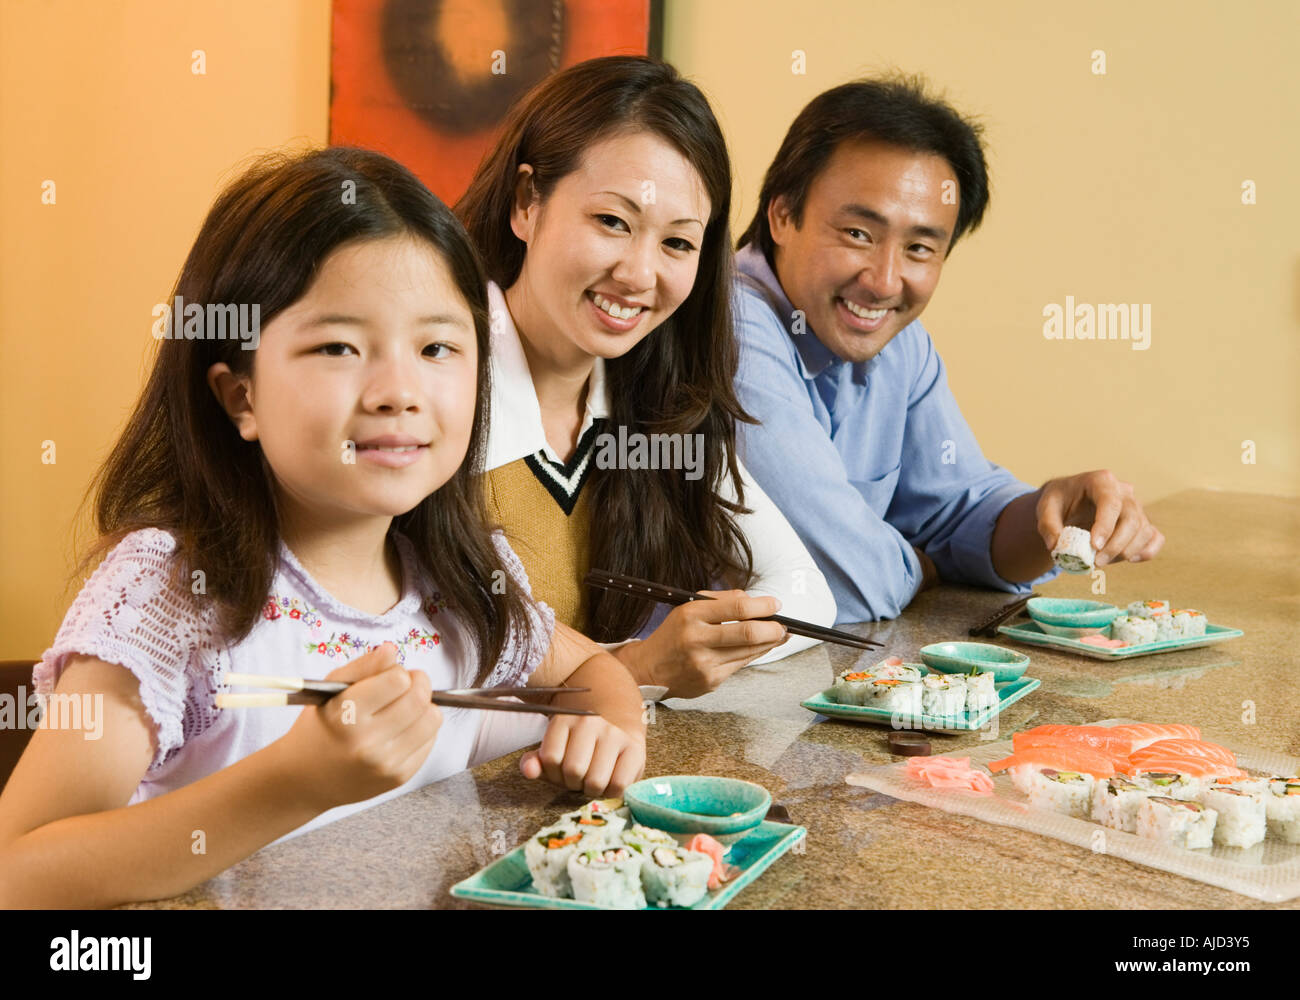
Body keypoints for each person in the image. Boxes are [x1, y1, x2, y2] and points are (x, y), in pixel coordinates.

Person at [0, 147, 645, 908]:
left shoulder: (459, 578)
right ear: (240, 397)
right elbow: (19, 876)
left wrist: (612, 719)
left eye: (437, 347)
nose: (399, 390)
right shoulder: (172, 594)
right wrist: (295, 783)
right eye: (339, 346)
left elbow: (587, 670)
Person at [457, 56, 836, 698]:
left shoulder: (656, 407)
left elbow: (804, 592)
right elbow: (443, 653)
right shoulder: (431, 379)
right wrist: (635, 670)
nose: (639, 275)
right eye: (612, 222)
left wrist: (701, 648)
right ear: (527, 203)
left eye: (677, 244)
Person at [733, 76, 1164, 623]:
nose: (885, 281)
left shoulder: (894, 339)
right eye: (858, 234)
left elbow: (959, 513)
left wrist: (1052, 514)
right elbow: (840, 582)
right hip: (684, 701)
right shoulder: (729, 330)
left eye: (919, 248)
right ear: (782, 216)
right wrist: (921, 567)